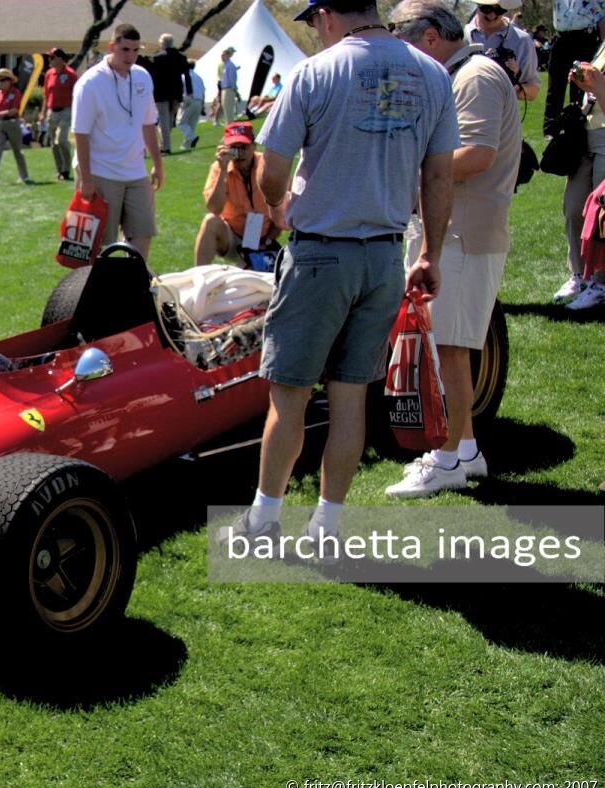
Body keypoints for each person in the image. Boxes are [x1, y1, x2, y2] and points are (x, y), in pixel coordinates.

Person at [223, 0, 458, 546]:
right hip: (384, 255)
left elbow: (274, 172)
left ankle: (264, 518)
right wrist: (431, 255)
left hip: (321, 254)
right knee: (350, 397)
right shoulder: (431, 72)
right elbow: (440, 176)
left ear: (326, 14)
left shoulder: (313, 72)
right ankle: (327, 523)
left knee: (290, 396)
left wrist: (278, 203)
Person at [385, 0, 522, 498]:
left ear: (428, 39)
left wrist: (409, 169)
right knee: (448, 348)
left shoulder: (475, 77)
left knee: (450, 349)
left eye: (402, 42)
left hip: (464, 233)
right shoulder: (463, 73)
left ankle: (446, 460)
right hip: (454, 230)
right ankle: (466, 452)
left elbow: (478, 154)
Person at [70, 23, 164, 260]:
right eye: (125, 50)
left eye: (135, 50)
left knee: (143, 234)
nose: (130, 56)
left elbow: (148, 123)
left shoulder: (142, 77)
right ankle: (93, 294)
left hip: (135, 172)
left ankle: (133, 290)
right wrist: (87, 179)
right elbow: (80, 133)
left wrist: (158, 164)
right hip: (101, 171)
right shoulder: (90, 82)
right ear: (112, 47)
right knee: (99, 245)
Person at [194, 121, 284, 266]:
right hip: (233, 237)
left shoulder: (267, 166)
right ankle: (200, 278)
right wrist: (223, 171)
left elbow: (284, 207)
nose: (239, 153)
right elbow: (214, 209)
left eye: (244, 147)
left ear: (254, 146)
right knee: (210, 221)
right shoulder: (219, 168)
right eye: (234, 148)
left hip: (263, 239)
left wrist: (269, 239)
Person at [556, 59, 605, 310]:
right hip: (585, 132)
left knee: (601, 216)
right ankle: (579, 275)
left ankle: (600, 283)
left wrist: (598, 89)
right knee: (574, 208)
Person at [545, 0, 605, 135]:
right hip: (562, 34)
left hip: (586, 35)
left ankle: (577, 122)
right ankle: (551, 128)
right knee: (555, 85)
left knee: (580, 82)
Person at [465, 0, 540, 102]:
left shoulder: (522, 40)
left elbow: (533, 92)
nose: (492, 15)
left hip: (501, 114)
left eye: (499, 10)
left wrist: (513, 88)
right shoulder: (458, 36)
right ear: (478, 5)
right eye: (487, 9)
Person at [0, 68, 32, 186]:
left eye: (3, 80)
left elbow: (15, 110)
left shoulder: (15, 93)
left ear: (10, 81)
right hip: (0, 124)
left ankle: (24, 176)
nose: (1, 82)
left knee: (17, 151)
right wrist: (0, 114)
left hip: (13, 123)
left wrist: (2, 113)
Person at [39, 47, 78, 181]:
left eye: (52, 57)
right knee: (53, 143)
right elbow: (46, 94)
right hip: (52, 111)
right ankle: (59, 170)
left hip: (66, 111)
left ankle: (66, 169)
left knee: (61, 139)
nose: (49, 60)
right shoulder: (49, 74)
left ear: (61, 58)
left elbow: (78, 95)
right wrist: (43, 113)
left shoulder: (71, 74)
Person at [151, 33, 193, 153]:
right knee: (170, 119)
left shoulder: (158, 58)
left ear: (162, 43)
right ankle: (164, 144)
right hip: (176, 93)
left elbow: (154, 77)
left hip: (161, 92)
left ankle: (166, 146)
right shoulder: (181, 57)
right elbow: (187, 75)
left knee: (163, 118)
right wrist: (189, 91)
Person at [176, 60, 205, 149]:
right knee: (191, 124)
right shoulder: (199, 77)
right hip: (199, 101)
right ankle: (186, 145)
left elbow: (181, 89)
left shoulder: (183, 76)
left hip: (189, 100)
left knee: (180, 123)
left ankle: (192, 138)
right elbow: (203, 91)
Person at [218, 46, 240, 124]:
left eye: (223, 55)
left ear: (227, 55)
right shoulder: (226, 65)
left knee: (228, 110)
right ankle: (229, 125)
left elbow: (232, 80)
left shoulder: (230, 66)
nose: (222, 57)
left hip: (229, 89)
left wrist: (234, 90)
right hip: (225, 89)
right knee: (226, 109)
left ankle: (230, 126)